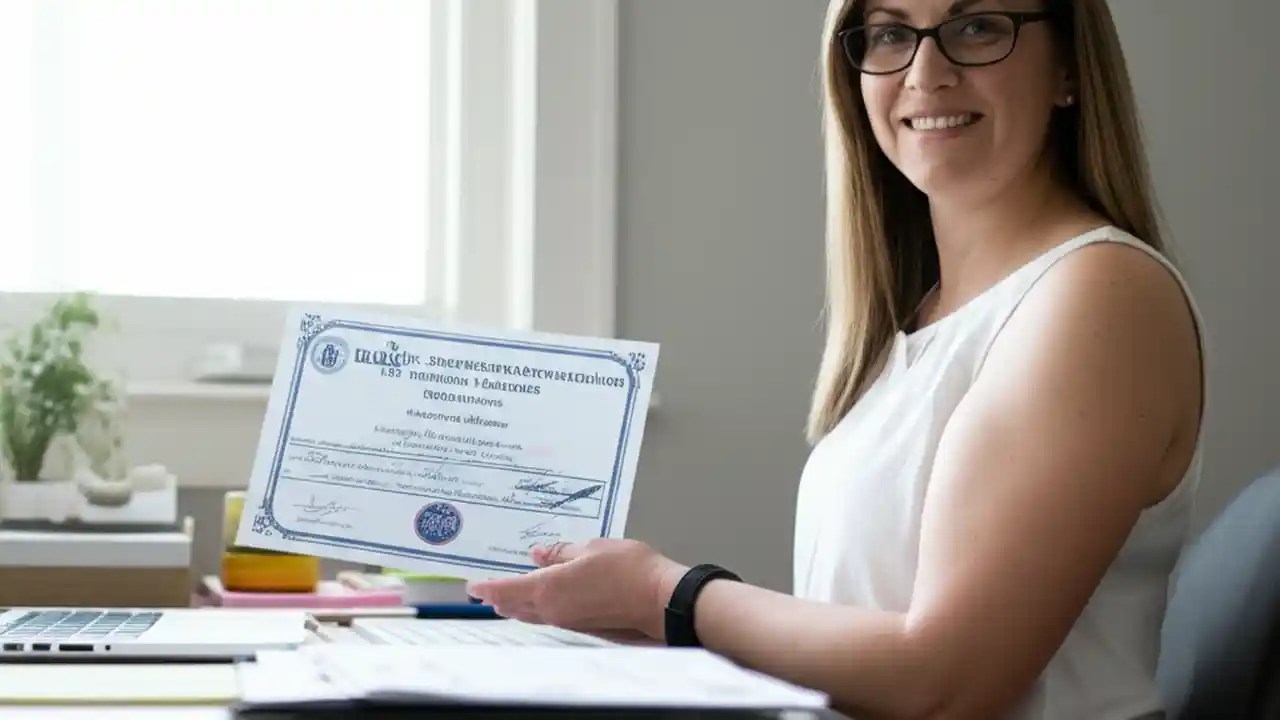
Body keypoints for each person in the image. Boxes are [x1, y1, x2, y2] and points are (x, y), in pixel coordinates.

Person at [469, 0, 1205, 717]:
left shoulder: (1101, 296)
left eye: (978, 26)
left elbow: (946, 683)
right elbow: (873, 637)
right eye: (889, 34)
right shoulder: (922, 320)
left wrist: (668, 595)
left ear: (1068, 67)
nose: (926, 72)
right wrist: (658, 621)